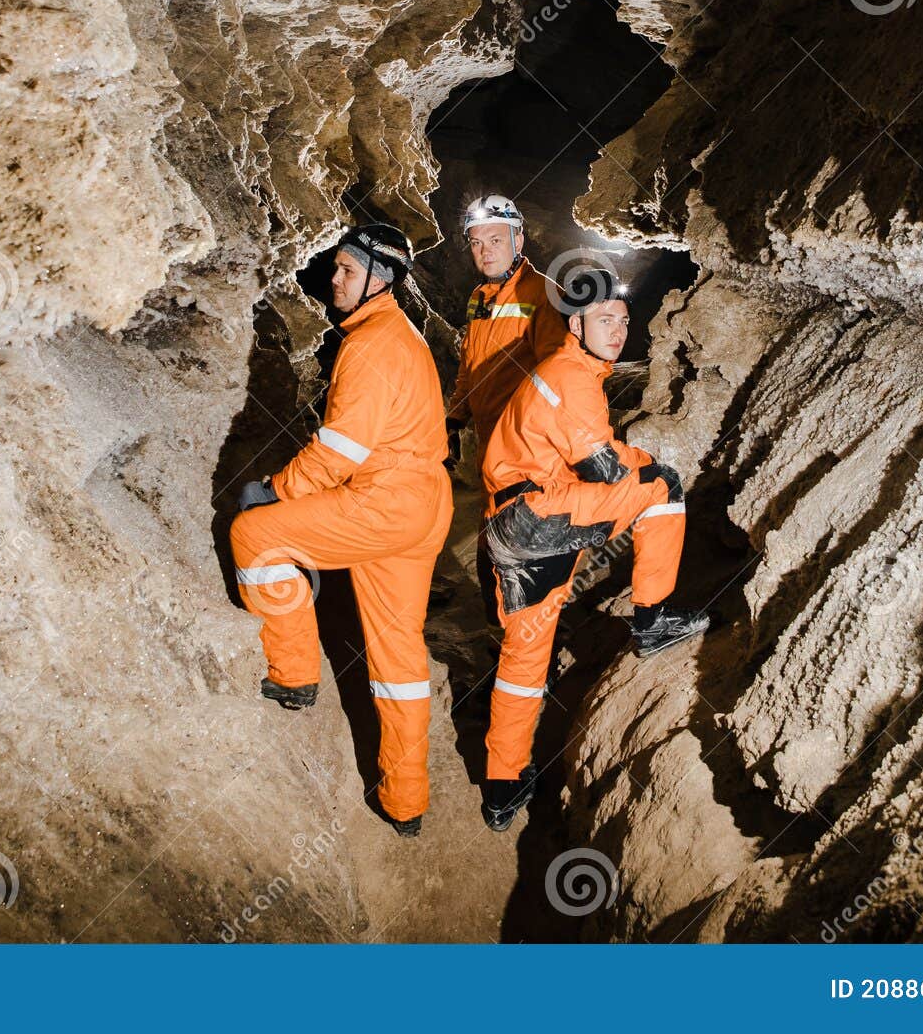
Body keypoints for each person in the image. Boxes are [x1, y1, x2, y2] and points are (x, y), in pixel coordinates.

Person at [230, 223, 453, 838]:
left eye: (348, 271)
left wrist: (274, 491)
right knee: (397, 654)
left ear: (380, 280)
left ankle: (295, 674)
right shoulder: (401, 336)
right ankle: (406, 803)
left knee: (255, 537)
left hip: (387, 500)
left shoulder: (373, 342)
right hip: (425, 505)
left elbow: (337, 451)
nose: (336, 279)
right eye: (336, 267)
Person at [476, 266, 710, 830]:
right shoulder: (570, 374)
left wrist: (626, 461)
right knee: (664, 487)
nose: (618, 329)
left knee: (523, 662)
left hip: (511, 532)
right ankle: (652, 619)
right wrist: (645, 464)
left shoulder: (556, 372)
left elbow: (589, 458)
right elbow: (605, 470)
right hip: (540, 518)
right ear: (575, 323)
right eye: (604, 318)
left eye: (624, 320)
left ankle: (502, 788)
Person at [445, 195, 566, 631]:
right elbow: (470, 361)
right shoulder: (480, 297)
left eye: (495, 239)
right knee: (491, 543)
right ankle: (502, 635)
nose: (485, 250)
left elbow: (562, 372)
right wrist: (454, 418)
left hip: (526, 449)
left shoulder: (545, 295)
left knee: (520, 546)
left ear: (519, 240)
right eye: (476, 243)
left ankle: (532, 649)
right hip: (489, 443)